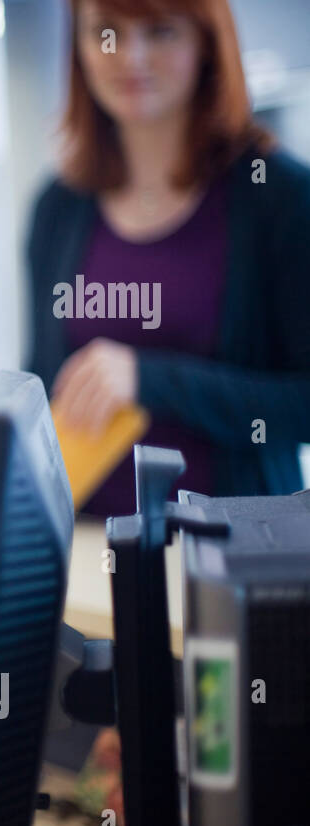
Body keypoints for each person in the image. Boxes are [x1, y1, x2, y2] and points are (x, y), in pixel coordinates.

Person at [26, 0, 310, 518]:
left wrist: (149, 380)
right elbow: (41, 384)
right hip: (83, 546)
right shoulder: (58, 207)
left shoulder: (279, 196)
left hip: (228, 561)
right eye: (106, 32)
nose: (130, 56)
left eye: (160, 32)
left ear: (205, 43)